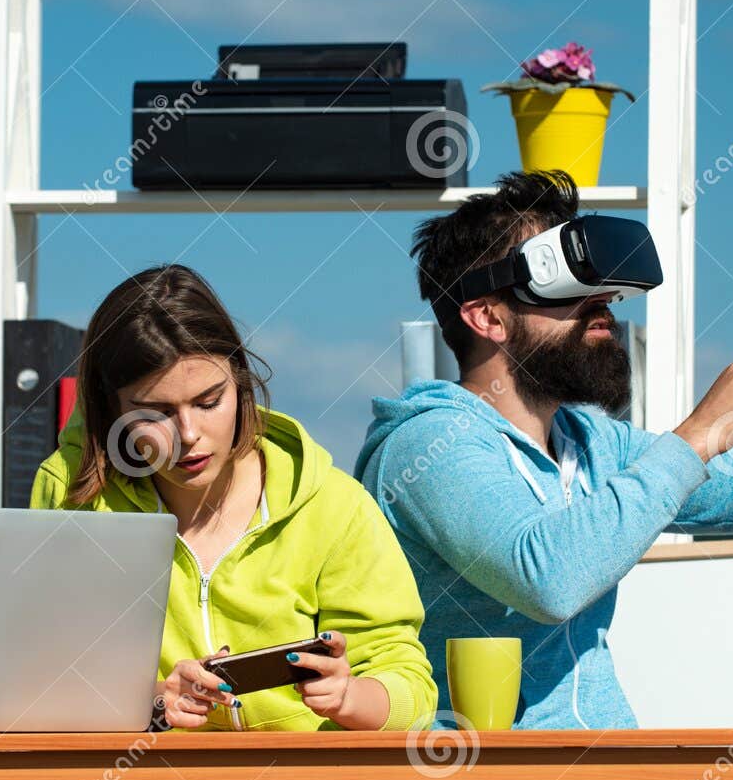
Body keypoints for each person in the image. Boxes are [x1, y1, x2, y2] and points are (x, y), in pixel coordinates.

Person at [355, 170, 733, 729]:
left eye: (604, 286)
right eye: (568, 286)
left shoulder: (590, 441)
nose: (603, 300)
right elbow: (547, 580)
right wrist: (696, 438)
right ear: (487, 317)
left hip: (607, 767)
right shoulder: (429, 445)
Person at [32, 264, 436, 732]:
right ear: (109, 410)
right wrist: (152, 703)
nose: (188, 435)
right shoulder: (73, 498)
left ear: (240, 381)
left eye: (209, 402)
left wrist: (351, 698)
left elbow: (414, 691)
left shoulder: (335, 506)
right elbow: (43, 672)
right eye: (155, 413)